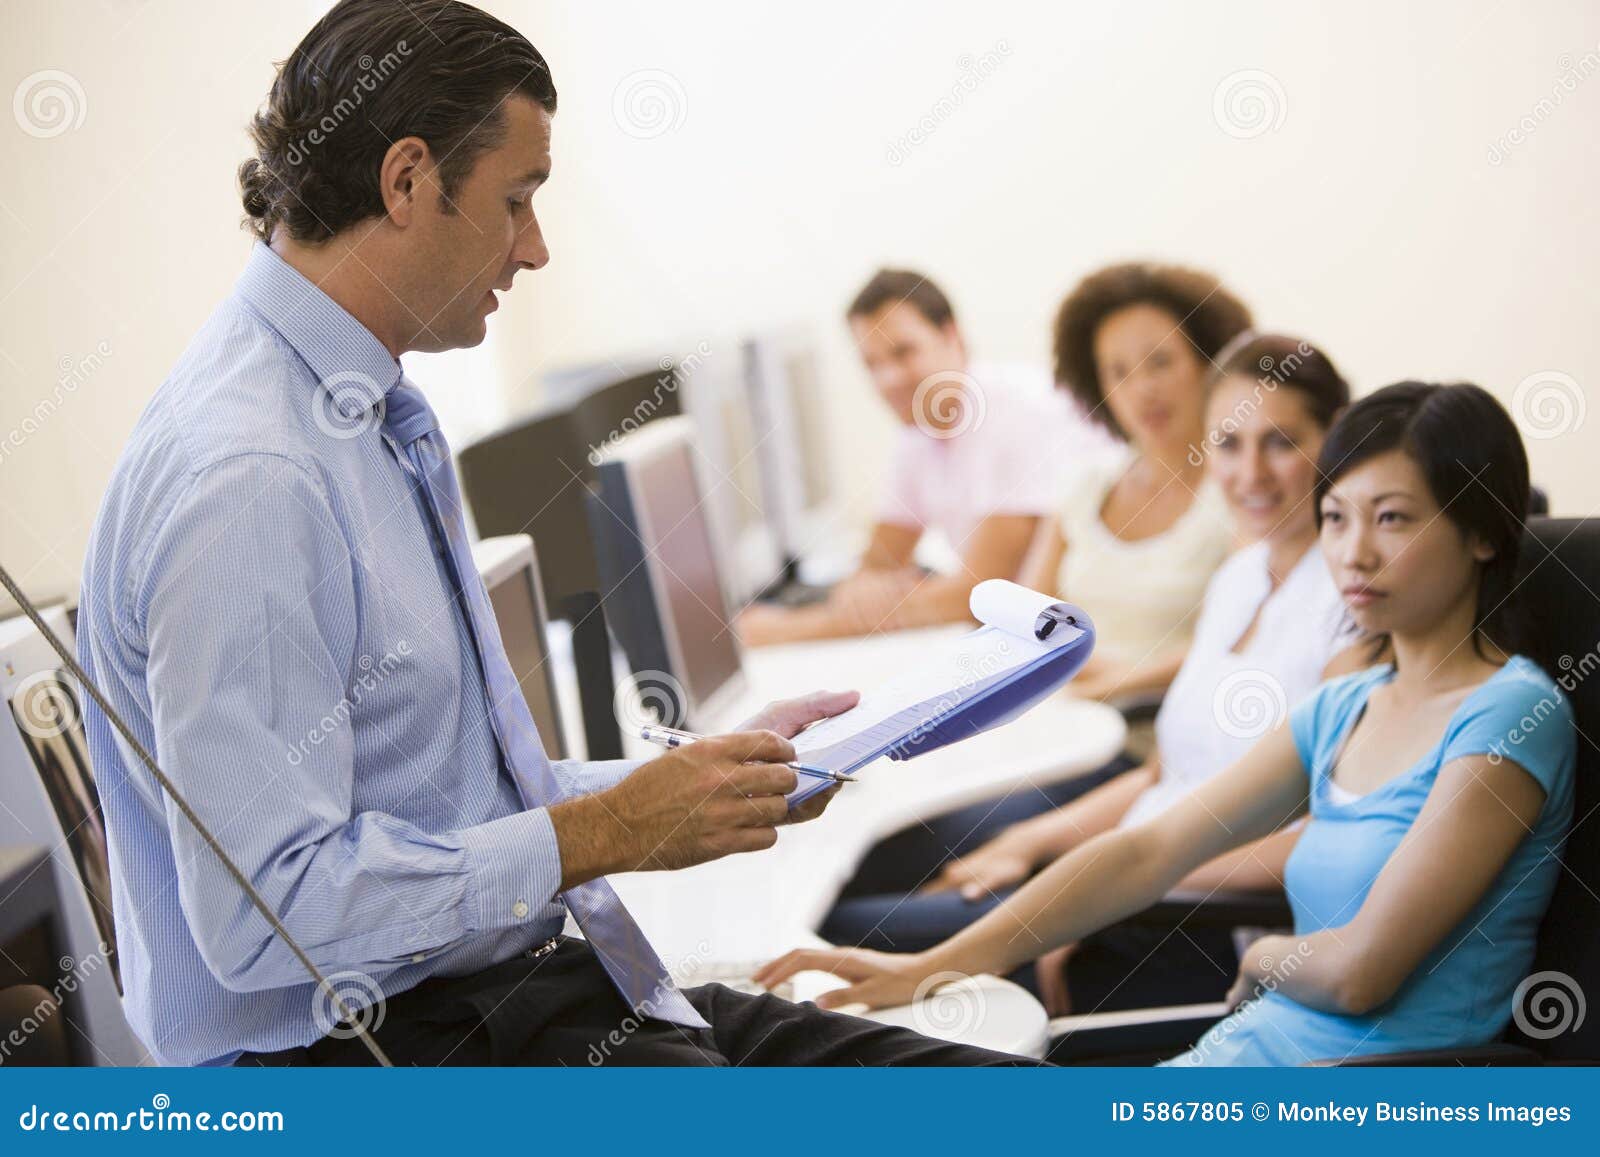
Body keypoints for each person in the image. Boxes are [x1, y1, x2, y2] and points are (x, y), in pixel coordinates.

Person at [74, 0, 1034, 1068]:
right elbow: (269, 911)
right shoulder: (250, 474)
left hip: (498, 996)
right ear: (405, 181)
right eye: (516, 201)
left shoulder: (363, 411)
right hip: (373, 1057)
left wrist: (685, 788)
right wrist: (613, 831)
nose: (535, 248)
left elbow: (450, 809)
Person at [759, 382, 1576, 1066]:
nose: (1354, 552)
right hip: (1238, 1059)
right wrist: (929, 969)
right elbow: (1149, 849)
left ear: (1482, 532)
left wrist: (1261, 959)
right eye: (1336, 516)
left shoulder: (1510, 712)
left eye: (1393, 518)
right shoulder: (1342, 708)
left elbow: (1364, 973)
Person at [821, 335, 1366, 1013]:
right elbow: (1162, 777)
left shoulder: (1352, 604)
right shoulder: (1238, 579)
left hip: (1198, 923)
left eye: (1280, 441)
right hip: (1132, 879)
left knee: (848, 935)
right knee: (892, 897)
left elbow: (1330, 839)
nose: (1250, 471)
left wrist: (1108, 894)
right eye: (1228, 443)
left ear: (1336, 441)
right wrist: (1034, 842)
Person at [736, 269, 1113, 645]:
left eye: (903, 352)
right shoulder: (918, 429)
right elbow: (878, 565)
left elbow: (980, 595)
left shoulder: (1018, 411)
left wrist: (778, 630)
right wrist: (870, 591)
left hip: (1093, 642)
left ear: (952, 337)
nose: (888, 379)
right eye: (872, 363)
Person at [1024, 262, 1252, 704]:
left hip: (1157, 730)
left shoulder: (1245, 491)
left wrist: (1106, 684)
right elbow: (1022, 621)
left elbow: (1238, 643)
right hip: (1062, 722)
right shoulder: (1083, 486)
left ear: (1210, 364)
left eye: (1161, 362)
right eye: (1119, 371)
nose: (1142, 388)